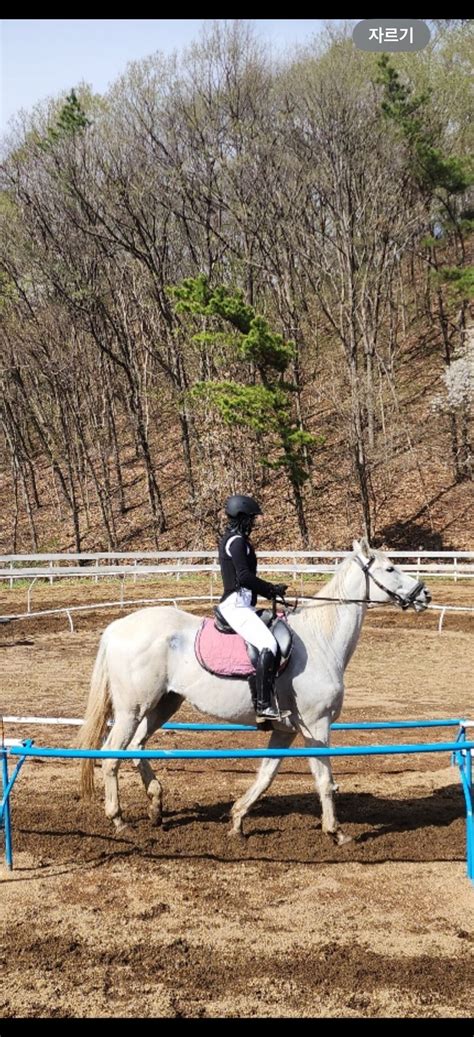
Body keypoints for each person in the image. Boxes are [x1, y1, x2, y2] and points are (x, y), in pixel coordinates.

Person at [217, 493, 290, 723]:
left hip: (244, 604)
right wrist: (271, 589)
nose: (253, 523)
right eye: (251, 518)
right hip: (235, 606)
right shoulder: (237, 542)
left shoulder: (234, 539)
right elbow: (244, 577)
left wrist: (270, 592)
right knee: (269, 644)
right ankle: (263, 705)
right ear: (242, 517)